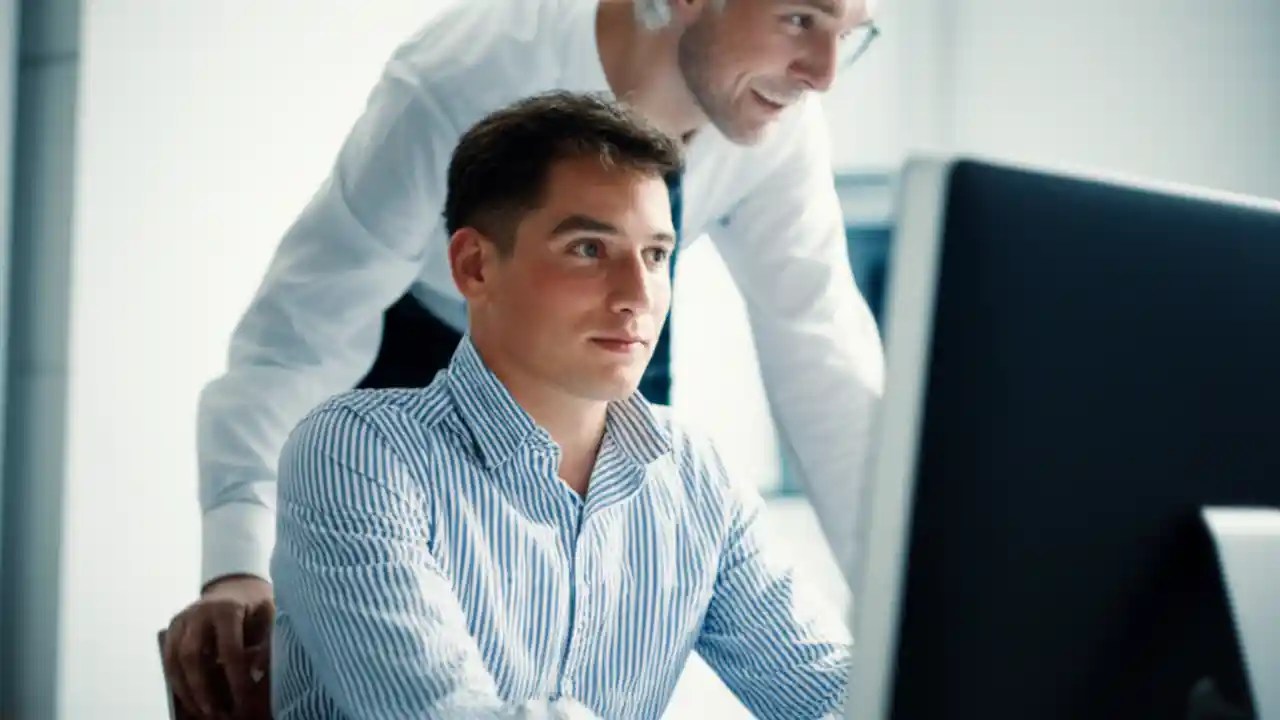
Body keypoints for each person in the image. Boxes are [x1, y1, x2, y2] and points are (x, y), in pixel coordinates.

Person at [163, 0, 884, 716]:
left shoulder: (775, 124)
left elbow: (825, 359)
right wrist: (236, 565)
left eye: (848, 35)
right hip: (411, 353)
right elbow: (302, 329)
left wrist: (919, 618)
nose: (824, 75)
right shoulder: (458, 76)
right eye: (799, 17)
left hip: (597, 370)